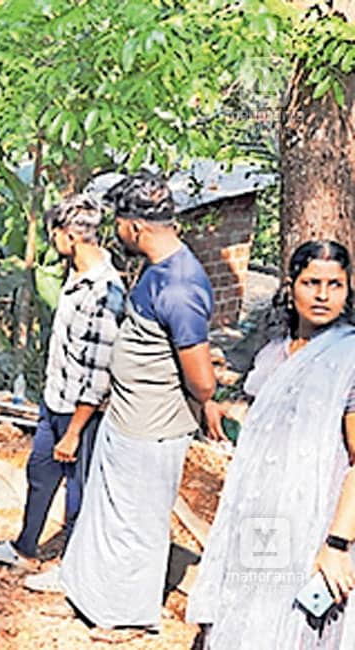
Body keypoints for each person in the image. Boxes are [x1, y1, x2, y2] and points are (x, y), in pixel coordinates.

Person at [59, 171, 221, 641]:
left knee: (139, 521)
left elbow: (203, 382)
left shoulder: (179, 287)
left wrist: (206, 401)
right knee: (112, 514)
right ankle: (92, 592)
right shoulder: (158, 268)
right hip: (129, 417)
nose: (115, 232)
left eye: (117, 223)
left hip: (152, 427)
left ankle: (128, 614)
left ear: (134, 226)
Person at [187, 241, 355, 648]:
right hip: (259, 516)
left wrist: (336, 544)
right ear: (290, 286)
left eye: (335, 285)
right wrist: (224, 412)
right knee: (247, 614)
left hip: (313, 523)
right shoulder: (272, 354)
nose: (321, 295)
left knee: (293, 626)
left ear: (348, 290)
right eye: (311, 282)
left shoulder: (349, 357)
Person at [0, 194, 125, 592]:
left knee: (79, 489)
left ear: (68, 236)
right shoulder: (73, 276)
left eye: (54, 234)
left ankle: (74, 569)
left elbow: (98, 370)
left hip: (82, 412)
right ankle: (26, 547)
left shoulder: (104, 290)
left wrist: (74, 431)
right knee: (40, 473)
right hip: (55, 399)